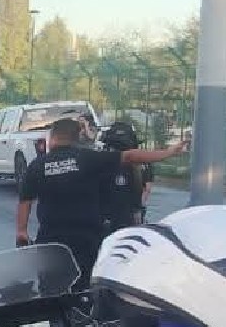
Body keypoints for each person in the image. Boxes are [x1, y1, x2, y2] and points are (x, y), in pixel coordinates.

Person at [17, 118, 187, 290]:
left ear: (51, 137)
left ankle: (56, 312)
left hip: (51, 240)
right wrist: (168, 152)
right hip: (86, 238)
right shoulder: (89, 158)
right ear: (76, 138)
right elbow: (130, 156)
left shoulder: (37, 166)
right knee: (85, 288)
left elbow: (25, 200)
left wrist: (22, 231)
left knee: (51, 290)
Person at [99, 121, 155, 233]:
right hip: (129, 216)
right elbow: (147, 189)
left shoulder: (101, 159)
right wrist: (138, 209)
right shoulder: (141, 161)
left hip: (103, 216)